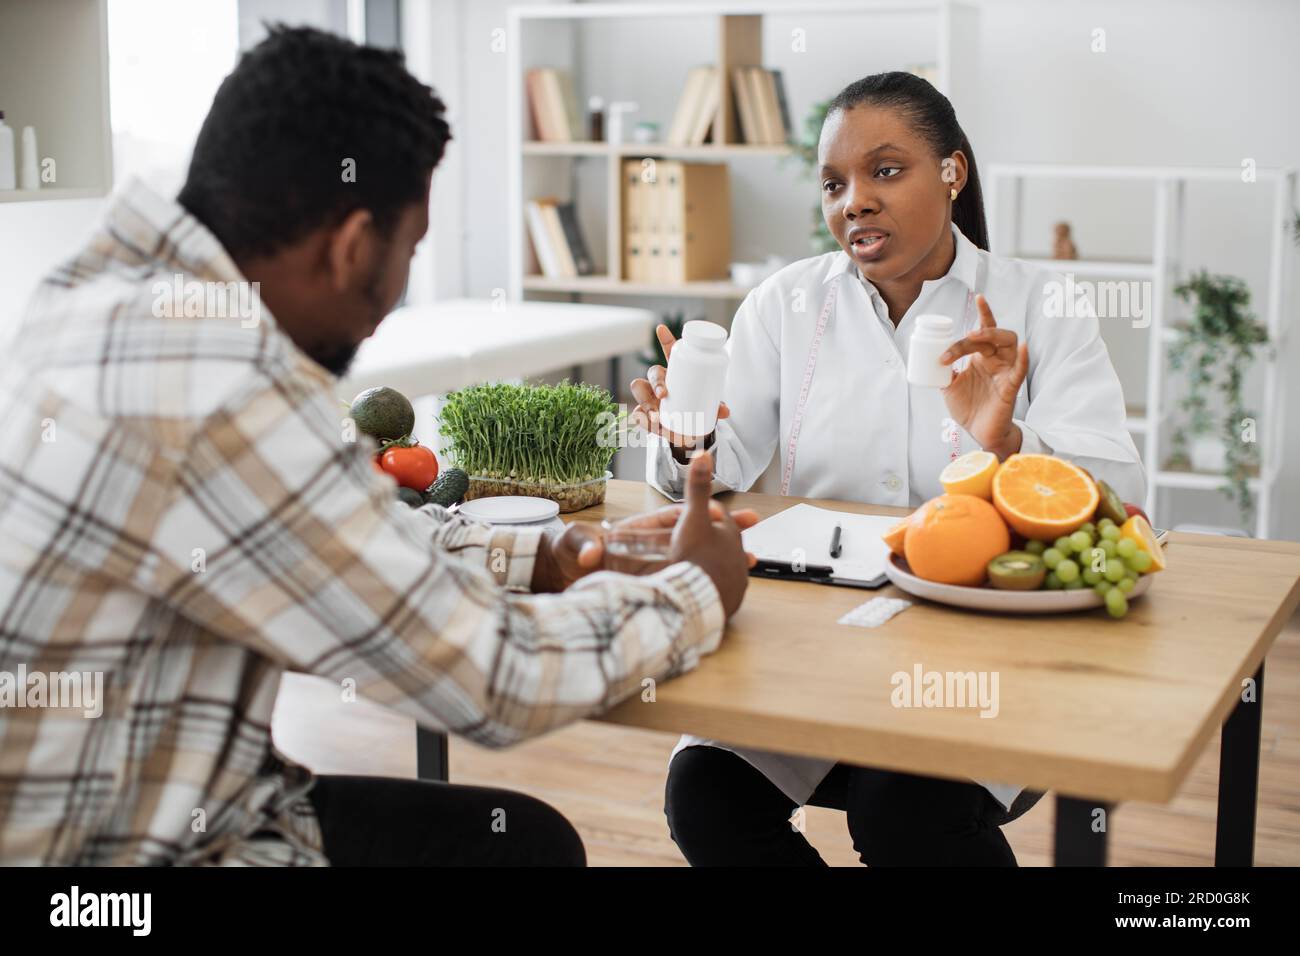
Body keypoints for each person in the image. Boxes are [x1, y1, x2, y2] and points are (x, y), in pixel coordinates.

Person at [0, 25, 755, 867]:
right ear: (353, 245)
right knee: (524, 852)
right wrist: (696, 589)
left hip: (176, 796)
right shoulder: (222, 388)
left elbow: (333, 533)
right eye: (410, 252)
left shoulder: (95, 292)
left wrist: (555, 554)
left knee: (522, 844)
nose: (394, 298)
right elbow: (495, 678)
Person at [631, 71, 1146, 866]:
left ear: (952, 172)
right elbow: (720, 465)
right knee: (704, 794)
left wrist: (1007, 443)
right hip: (813, 641)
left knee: (903, 809)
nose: (855, 202)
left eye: (886, 171)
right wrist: (684, 436)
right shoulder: (783, 304)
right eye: (834, 184)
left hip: (978, 648)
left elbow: (1122, 492)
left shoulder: (1044, 304)